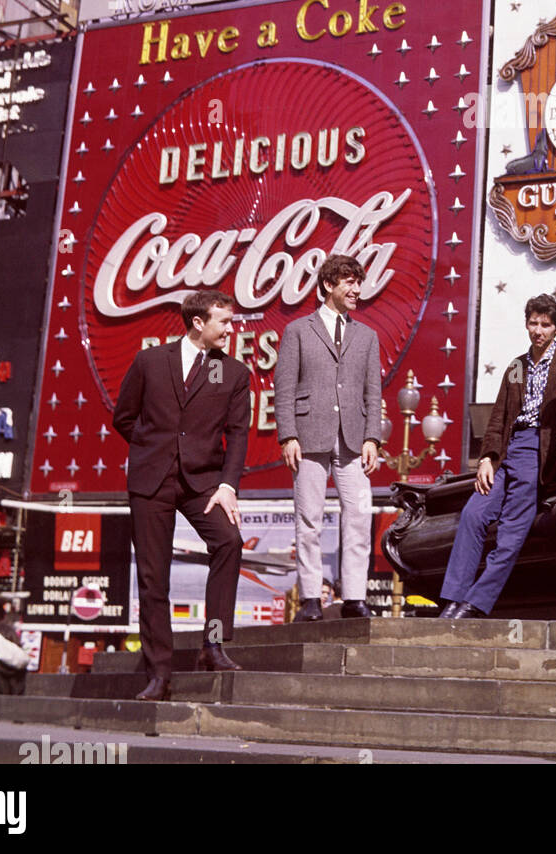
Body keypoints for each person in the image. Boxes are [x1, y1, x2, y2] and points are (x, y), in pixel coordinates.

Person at [113, 289, 251, 700]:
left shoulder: (231, 373)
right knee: (154, 578)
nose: (231, 329)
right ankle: (159, 672)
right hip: (151, 481)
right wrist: (152, 446)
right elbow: (124, 417)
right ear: (198, 323)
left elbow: (238, 434)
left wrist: (227, 485)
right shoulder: (150, 361)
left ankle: (213, 643)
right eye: (223, 322)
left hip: (203, 483)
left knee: (229, 541)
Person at [439, 295, 556, 619]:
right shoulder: (517, 365)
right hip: (507, 449)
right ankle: (453, 597)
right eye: (533, 323)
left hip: (539, 451)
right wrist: (487, 458)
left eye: (545, 325)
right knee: (473, 515)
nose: (538, 331)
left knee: (511, 530)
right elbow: (499, 416)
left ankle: (476, 602)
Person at [277, 254, 383, 621]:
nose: (357, 290)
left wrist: (373, 438)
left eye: (359, 282)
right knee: (308, 518)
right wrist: (287, 434)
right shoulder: (298, 331)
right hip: (308, 435)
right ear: (328, 285)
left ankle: (354, 597)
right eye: (349, 282)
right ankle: (310, 598)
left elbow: (374, 392)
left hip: (354, 439)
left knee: (358, 515)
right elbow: (284, 387)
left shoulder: (367, 336)